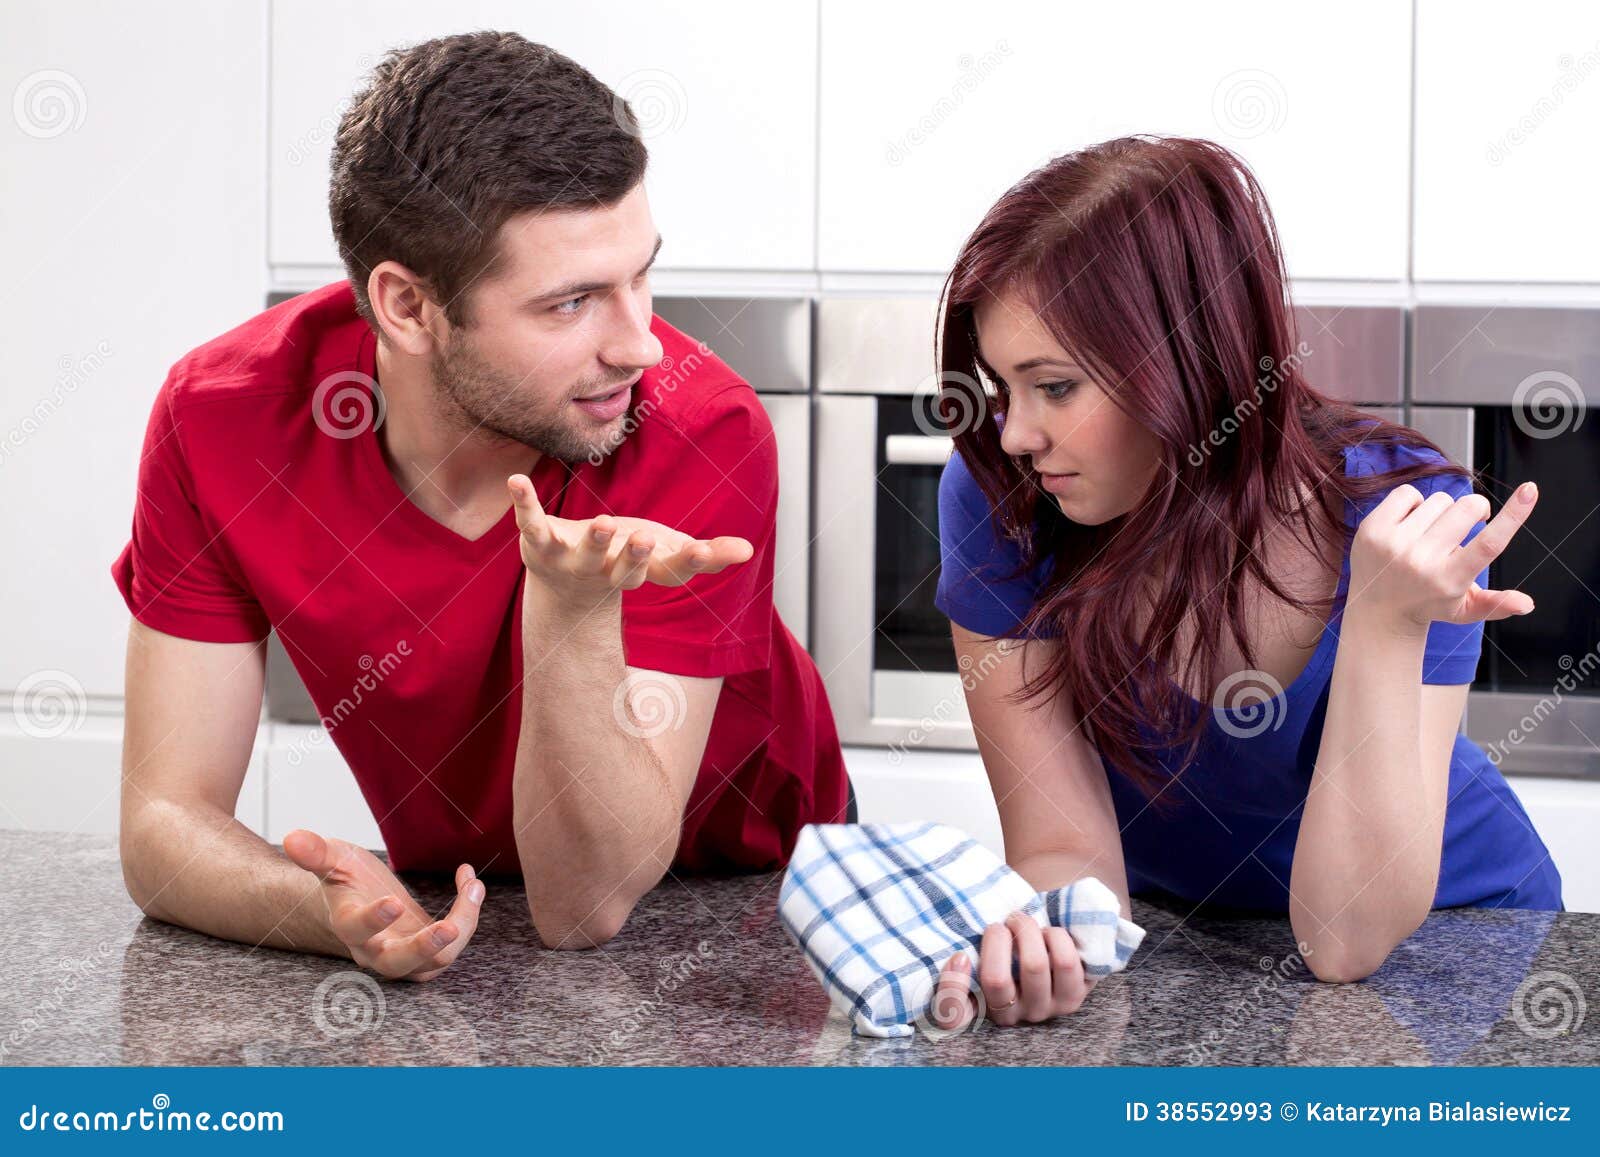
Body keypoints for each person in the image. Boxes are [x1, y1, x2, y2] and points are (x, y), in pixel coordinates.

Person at [113, 31, 849, 982]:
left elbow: (586, 904)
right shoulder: (220, 418)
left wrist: (572, 608)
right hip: (460, 898)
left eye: (641, 275)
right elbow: (163, 820)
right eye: (573, 301)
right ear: (409, 307)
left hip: (754, 903)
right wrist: (336, 911)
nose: (642, 346)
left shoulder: (701, 427)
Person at [926, 135, 1561, 1032]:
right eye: (1004, 386)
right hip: (1187, 944)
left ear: (1187, 363)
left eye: (1055, 387)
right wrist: (1055, 946)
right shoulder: (1001, 495)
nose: (1017, 432)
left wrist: (1382, 621)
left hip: (1455, 946)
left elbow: (1344, 943)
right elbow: (1063, 846)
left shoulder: (1408, 518)